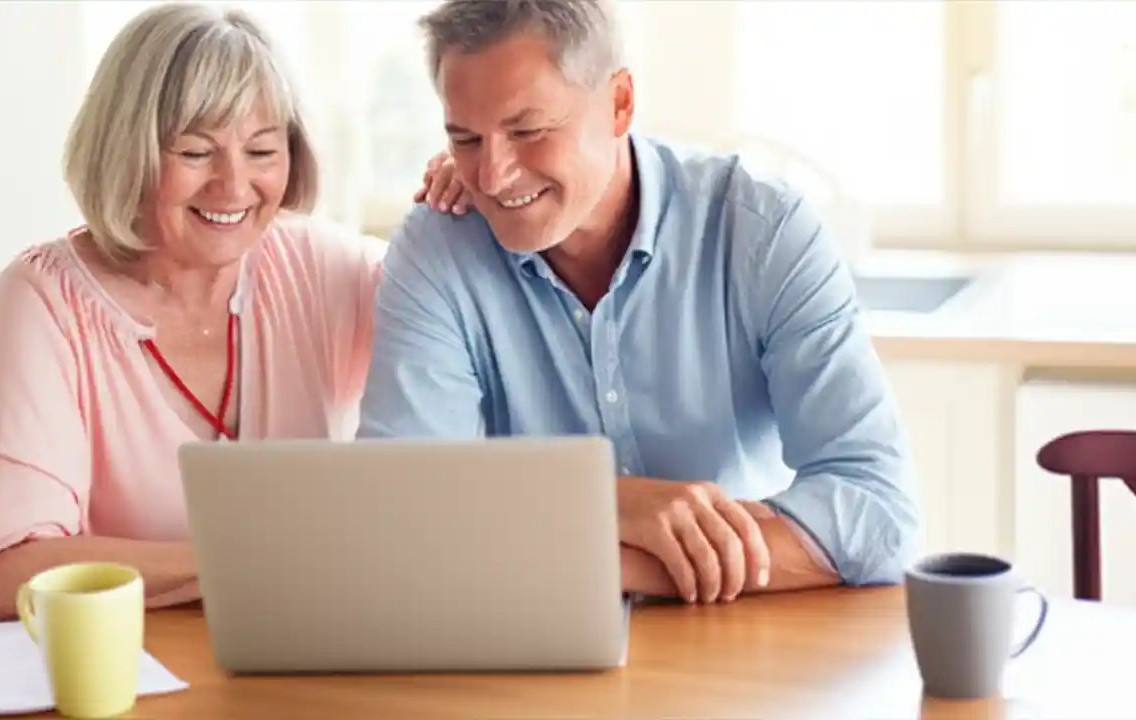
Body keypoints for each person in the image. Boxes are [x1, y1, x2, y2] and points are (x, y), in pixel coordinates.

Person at [361, 0, 920, 604]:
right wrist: (605, 504)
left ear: (619, 103)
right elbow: (402, 506)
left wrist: (609, 562)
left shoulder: (761, 231)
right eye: (465, 138)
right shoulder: (437, 247)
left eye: (527, 131)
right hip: (530, 663)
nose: (492, 176)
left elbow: (877, 511)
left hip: (739, 651)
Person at [0, 3, 458, 621]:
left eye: (262, 151)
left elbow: (466, 305)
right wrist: (263, 561)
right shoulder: (44, 301)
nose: (234, 186)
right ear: (126, 153)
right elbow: (12, 571)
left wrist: (472, 190)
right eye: (194, 153)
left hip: (310, 658)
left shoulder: (317, 265)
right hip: (136, 676)